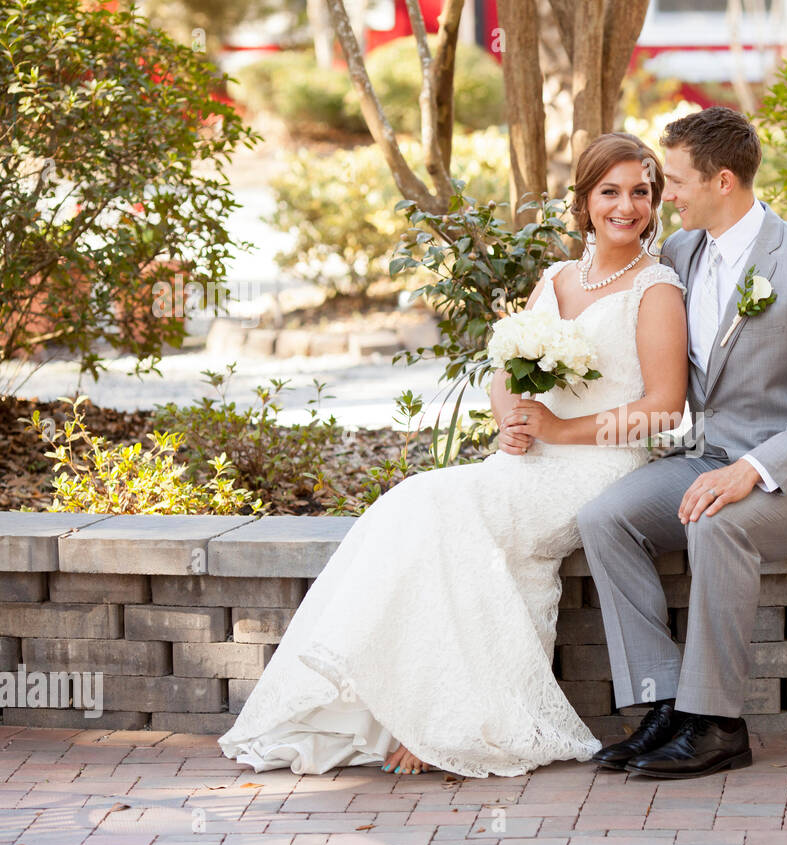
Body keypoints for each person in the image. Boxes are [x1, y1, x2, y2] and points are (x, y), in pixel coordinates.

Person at [218, 132, 689, 777]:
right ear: (583, 201)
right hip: (529, 457)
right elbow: (506, 370)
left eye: (641, 192)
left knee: (441, 510)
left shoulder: (655, 289)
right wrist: (512, 423)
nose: (626, 206)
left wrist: (555, 429)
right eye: (610, 191)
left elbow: (664, 412)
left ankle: (439, 724)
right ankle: (397, 710)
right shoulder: (555, 279)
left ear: (656, 201)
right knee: (417, 505)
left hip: (600, 464)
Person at [577, 106, 787, 780]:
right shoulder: (680, 252)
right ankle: (662, 703)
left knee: (717, 526)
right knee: (604, 517)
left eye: (674, 181)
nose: (662, 196)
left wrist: (751, 470)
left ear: (724, 181)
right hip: (706, 458)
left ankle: (717, 725)